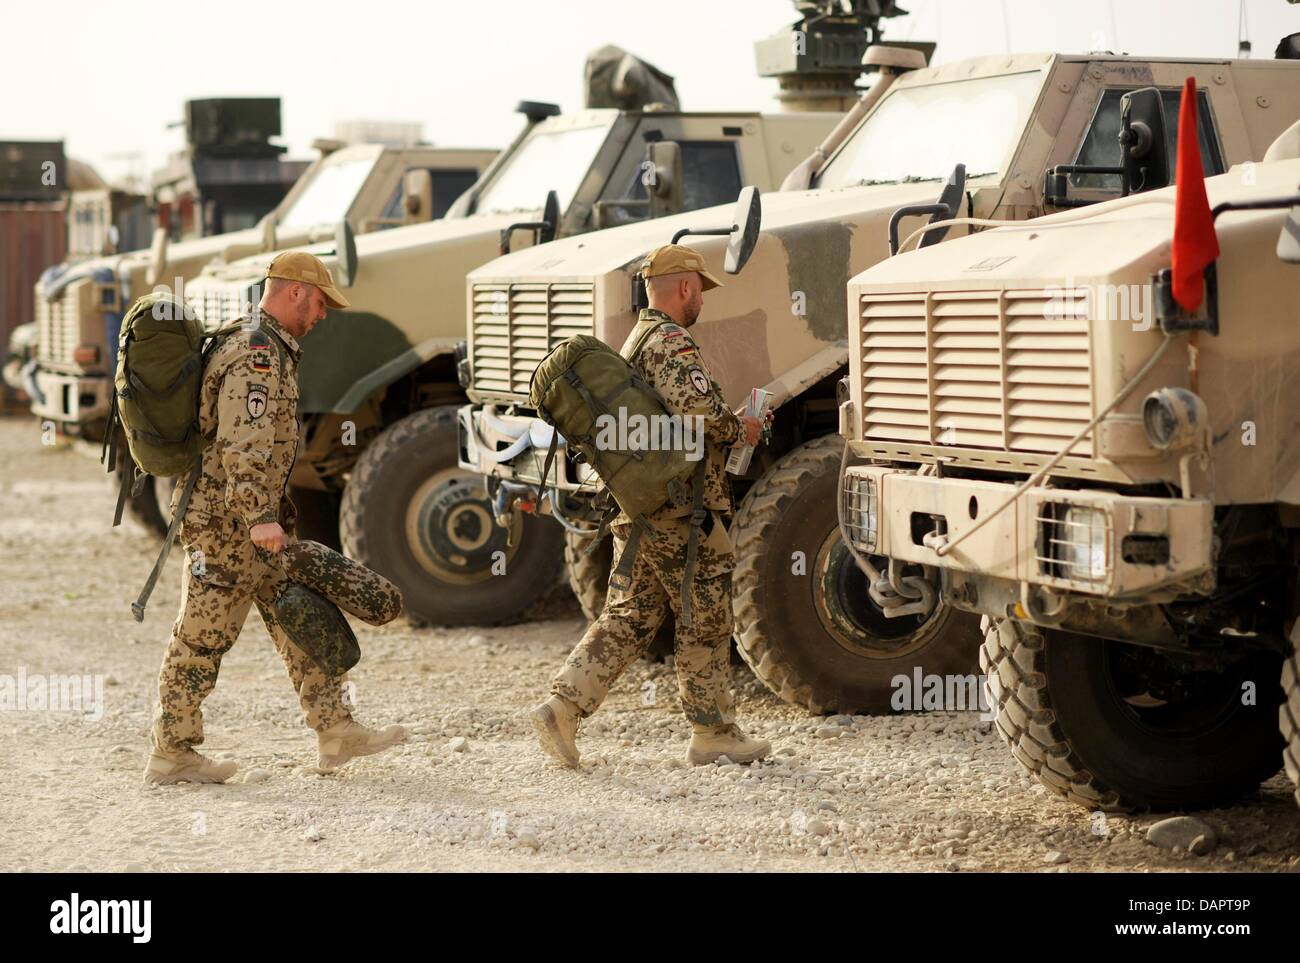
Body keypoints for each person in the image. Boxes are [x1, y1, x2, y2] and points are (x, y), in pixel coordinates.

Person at [143, 252, 406, 785]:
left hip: (240, 521)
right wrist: (259, 515)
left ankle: (335, 729)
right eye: (319, 302)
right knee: (202, 636)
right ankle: (171, 752)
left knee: (296, 615)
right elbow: (245, 442)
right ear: (292, 292)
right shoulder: (257, 354)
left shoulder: (260, 342)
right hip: (227, 525)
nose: (323, 315)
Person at [529, 244, 772, 768]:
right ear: (684, 287)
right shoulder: (672, 342)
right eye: (699, 291)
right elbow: (697, 414)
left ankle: (563, 706)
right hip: (681, 509)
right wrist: (742, 426)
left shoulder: (637, 338)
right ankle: (714, 732)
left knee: (633, 613)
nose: (701, 301)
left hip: (643, 503)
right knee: (705, 616)